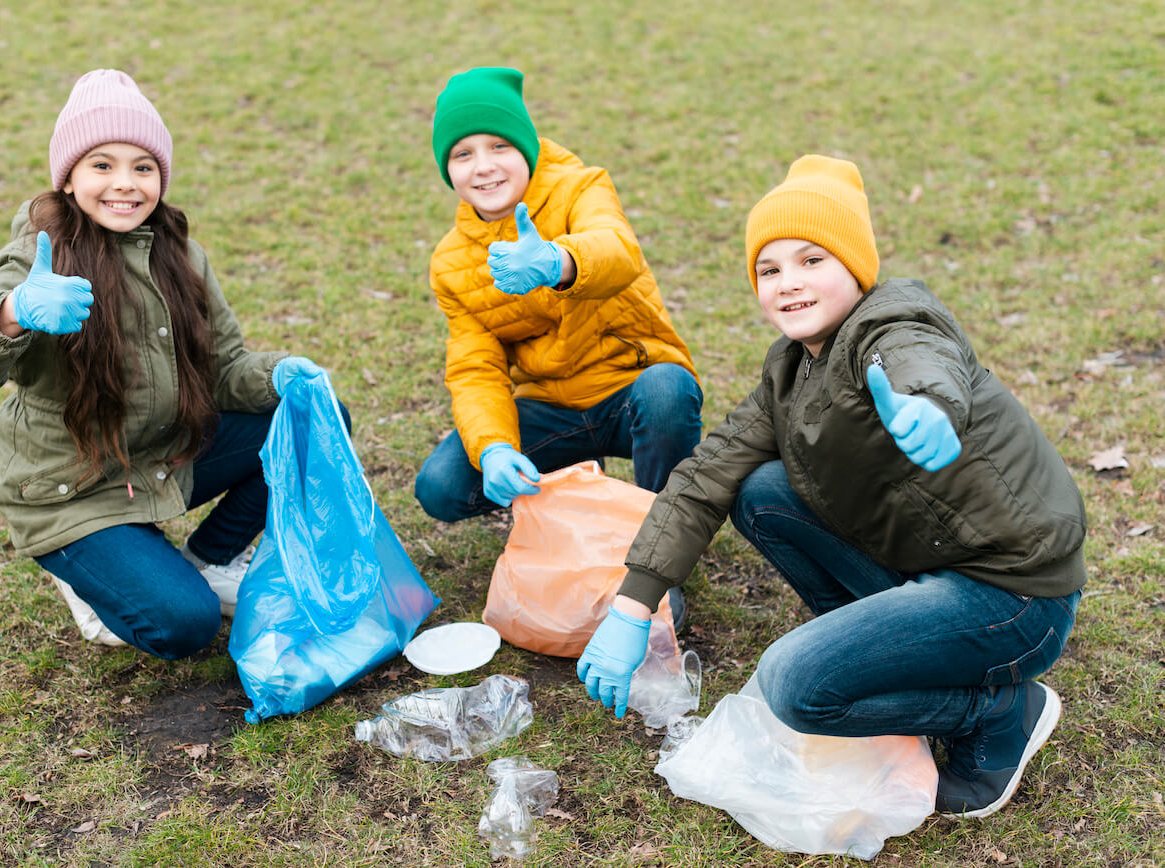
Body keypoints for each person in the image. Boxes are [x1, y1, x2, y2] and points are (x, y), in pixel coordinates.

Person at [576, 155, 1086, 820]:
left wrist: (928, 406)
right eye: (769, 269)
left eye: (812, 260)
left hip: (1014, 594)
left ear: (855, 268)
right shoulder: (790, 369)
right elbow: (704, 478)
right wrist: (633, 606)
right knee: (757, 488)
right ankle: (877, 657)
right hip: (933, 563)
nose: (788, 282)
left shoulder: (892, 324)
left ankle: (997, 710)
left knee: (795, 686)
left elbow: (919, 360)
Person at [0, 69, 336, 659]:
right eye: (102, 165)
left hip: (158, 458)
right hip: (72, 490)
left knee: (313, 417)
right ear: (68, 179)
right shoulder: (38, 258)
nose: (125, 183)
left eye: (143, 167)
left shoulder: (183, 255)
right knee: (184, 624)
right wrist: (13, 312)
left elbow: (223, 372)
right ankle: (88, 574)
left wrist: (279, 375)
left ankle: (211, 557)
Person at [413, 67, 704, 619]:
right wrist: (494, 448)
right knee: (441, 485)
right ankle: (573, 507)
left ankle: (656, 565)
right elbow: (475, 369)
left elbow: (617, 251)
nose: (483, 165)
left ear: (526, 148)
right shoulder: (451, 261)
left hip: (628, 388)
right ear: (447, 169)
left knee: (669, 390)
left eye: (499, 146)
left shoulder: (581, 187)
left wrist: (558, 260)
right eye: (463, 154)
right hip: (551, 409)